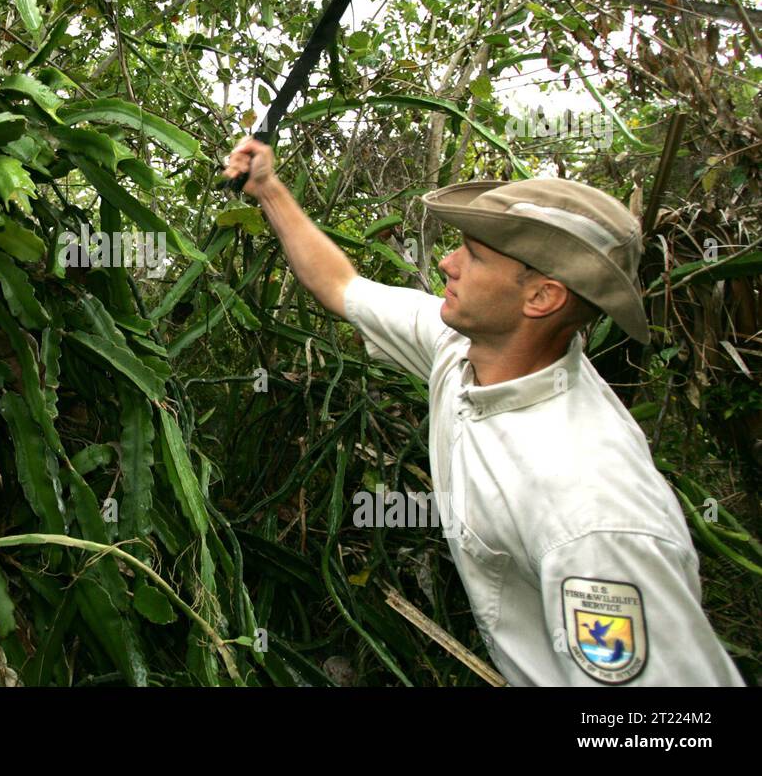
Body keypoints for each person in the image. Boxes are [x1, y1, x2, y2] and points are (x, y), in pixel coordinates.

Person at [223, 136, 745, 686]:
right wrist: (267, 189)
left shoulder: (591, 510)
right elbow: (341, 286)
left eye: (473, 255)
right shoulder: (461, 348)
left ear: (541, 298)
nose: (446, 262)